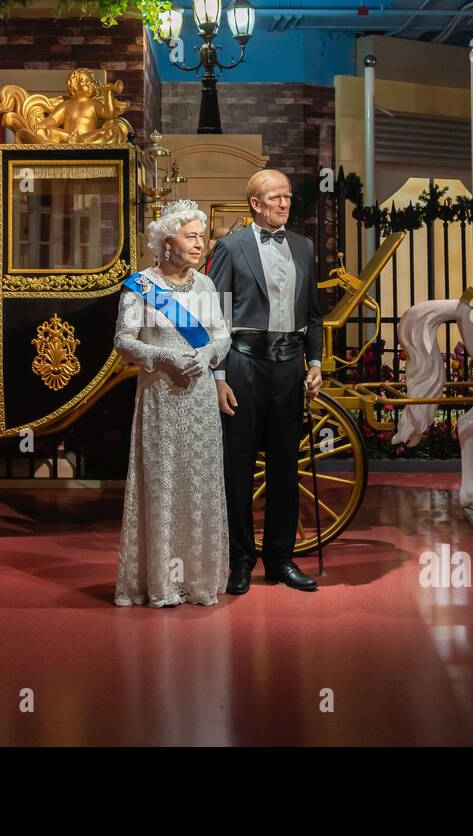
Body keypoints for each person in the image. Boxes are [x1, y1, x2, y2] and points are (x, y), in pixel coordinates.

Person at [209, 169, 323, 594]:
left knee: (284, 466)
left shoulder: (304, 247)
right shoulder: (230, 247)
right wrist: (218, 376)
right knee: (237, 467)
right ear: (255, 203)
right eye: (276, 198)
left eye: (288, 197)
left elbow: (313, 313)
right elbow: (216, 315)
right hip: (243, 362)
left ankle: (281, 560)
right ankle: (241, 561)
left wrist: (316, 363)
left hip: (290, 365)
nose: (285, 204)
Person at [113, 199, 232, 607]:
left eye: (202, 237)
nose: (200, 244)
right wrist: (161, 356)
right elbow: (123, 341)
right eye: (191, 236)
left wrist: (209, 355)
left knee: (197, 482)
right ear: (167, 241)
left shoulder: (206, 285)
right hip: (161, 396)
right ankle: (160, 583)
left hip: (198, 398)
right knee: (163, 484)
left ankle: (197, 580)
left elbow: (222, 335)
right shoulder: (141, 286)